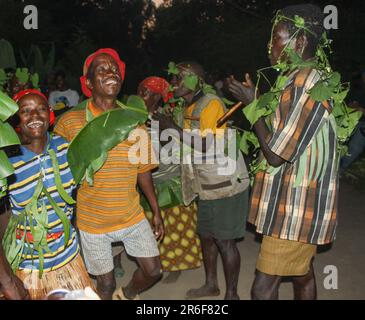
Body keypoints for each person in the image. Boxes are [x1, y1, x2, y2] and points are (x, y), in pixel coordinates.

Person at [228, 4, 338, 300]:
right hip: (293, 202)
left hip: (294, 205)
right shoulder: (296, 80)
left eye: (276, 38)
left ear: (299, 42)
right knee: (302, 273)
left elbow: (276, 154)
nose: (270, 46)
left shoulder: (305, 84)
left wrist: (252, 105)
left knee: (262, 289)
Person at [54, 48, 164, 300]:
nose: (111, 72)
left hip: (130, 214)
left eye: (114, 68)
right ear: (89, 83)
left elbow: (143, 170)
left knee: (154, 270)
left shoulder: (133, 119)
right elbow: (58, 173)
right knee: (104, 284)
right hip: (93, 220)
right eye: (102, 70)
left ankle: (126, 294)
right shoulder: (69, 123)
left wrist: (156, 210)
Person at [154, 62, 250, 300]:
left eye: (180, 77)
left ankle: (232, 294)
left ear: (196, 81)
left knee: (224, 241)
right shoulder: (186, 106)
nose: (174, 82)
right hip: (204, 184)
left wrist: (173, 128)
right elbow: (179, 144)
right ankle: (211, 285)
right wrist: (165, 129)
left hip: (225, 185)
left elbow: (209, 144)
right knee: (206, 236)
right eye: (174, 77)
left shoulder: (211, 104)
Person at [0, 89, 94, 300]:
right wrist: (7, 277)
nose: (35, 116)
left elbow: (77, 198)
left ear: (50, 113)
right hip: (29, 265)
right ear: (16, 118)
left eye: (41, 109)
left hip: (68, 257)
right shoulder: (7, 163)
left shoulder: (66, 148)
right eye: (26, 111)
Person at [137, 76, 202, 284]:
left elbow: (170, 150)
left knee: (175, 224)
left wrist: (162, 129)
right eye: (141, 90)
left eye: (147, 92)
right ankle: (157, 263)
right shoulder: (133, 116)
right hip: (145, 178)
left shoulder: (163, 117)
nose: (142, 95)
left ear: (157, 97)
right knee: (150, 224)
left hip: (167, 177)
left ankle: (176, 265)